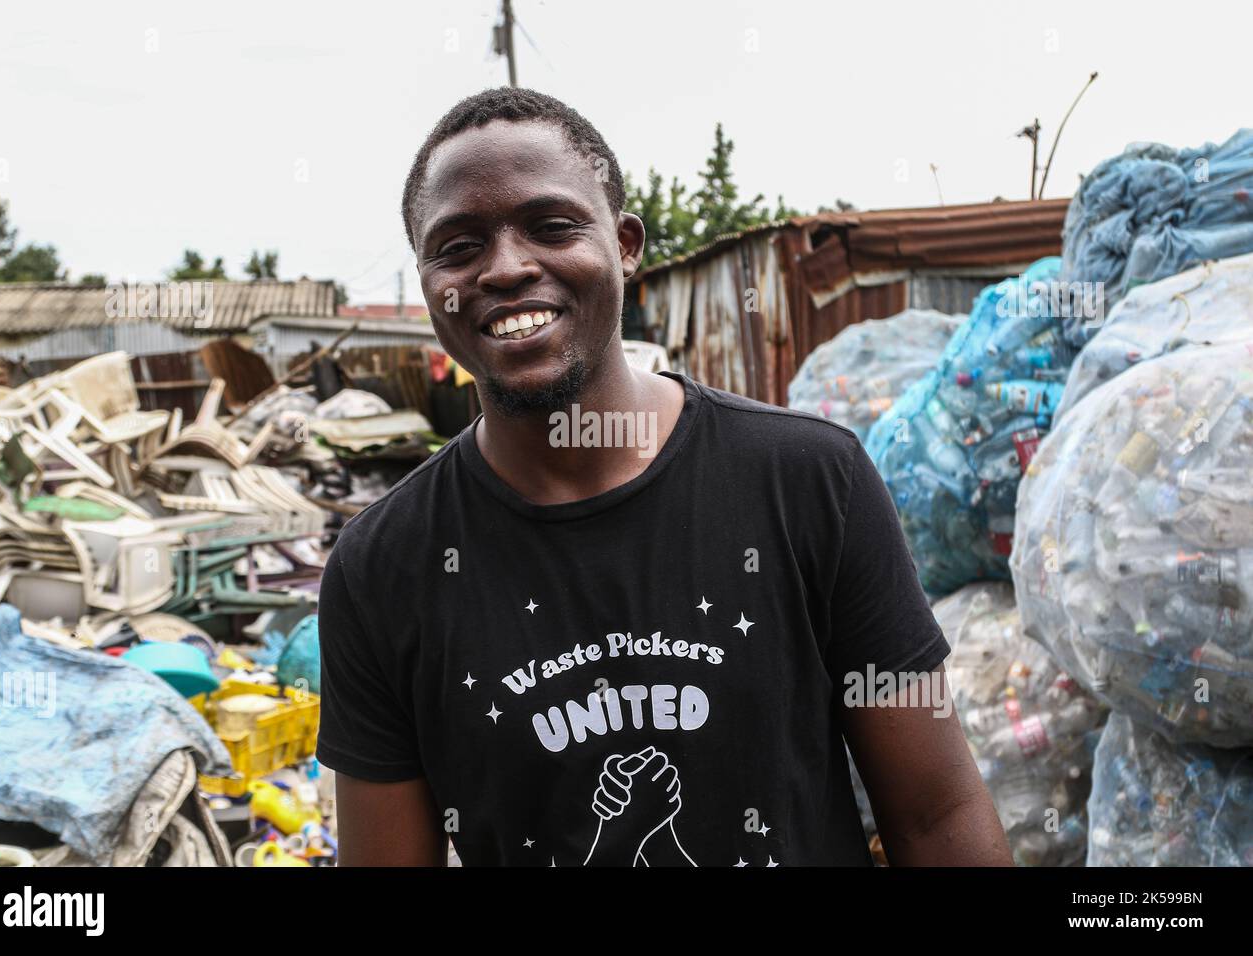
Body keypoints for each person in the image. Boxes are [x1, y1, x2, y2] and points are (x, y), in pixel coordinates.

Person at [315, 87, 1011, 867]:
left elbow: (937, 816)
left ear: (627, 243)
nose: (507, 268)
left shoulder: (811, 482)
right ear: (427, 282)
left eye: (550, 226)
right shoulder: (382, 568)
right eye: (459, 245)